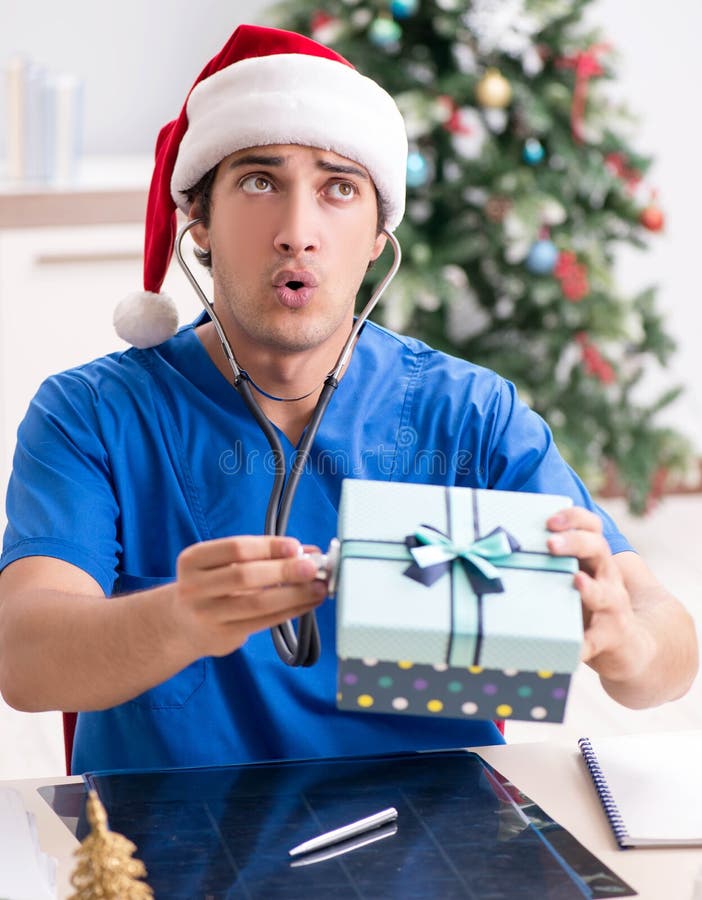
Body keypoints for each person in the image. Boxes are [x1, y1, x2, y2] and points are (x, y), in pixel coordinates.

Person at [0, 24, 696, 775]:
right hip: (168, 839)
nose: (297, 233)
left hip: (433, 834)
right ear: (198, 222)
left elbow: (669, 644)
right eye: (259, 182)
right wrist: (178, 618)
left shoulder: (469, 416)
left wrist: (625, 641)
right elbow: (24, 658)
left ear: (376, 236)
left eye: (339, 188)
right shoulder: (91, 415)